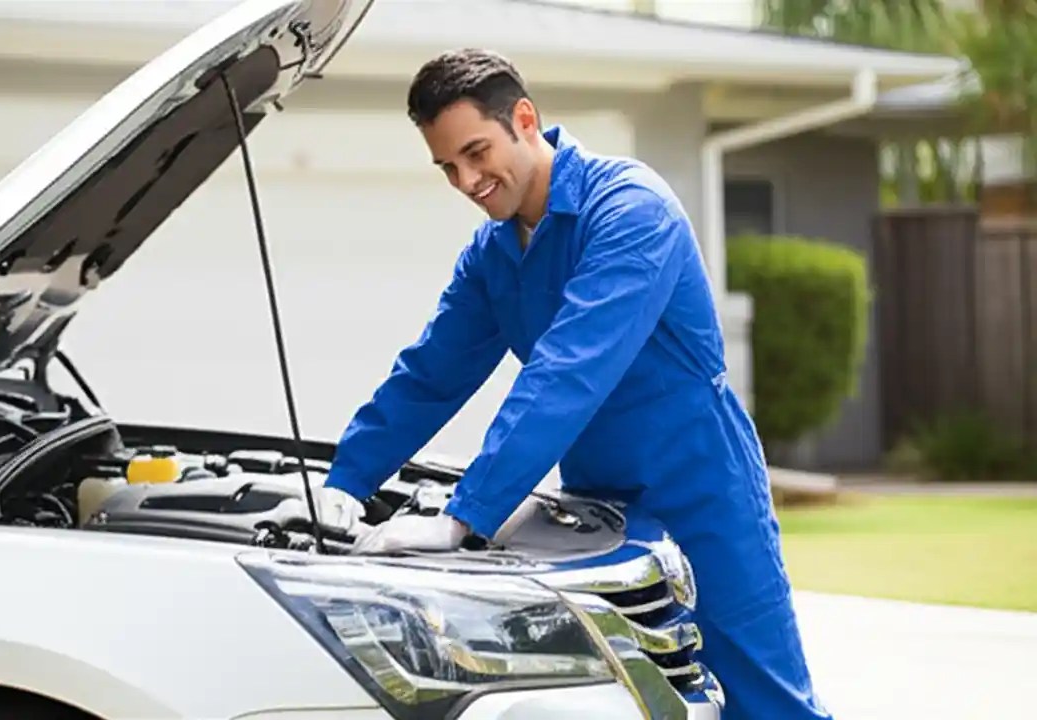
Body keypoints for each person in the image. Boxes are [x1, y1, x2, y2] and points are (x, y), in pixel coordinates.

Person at [313, 48, 831, 719]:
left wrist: (464, 518)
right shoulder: (493, 254)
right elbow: (428, 376)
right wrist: (343, 483)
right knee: (640, 703)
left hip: (705, 497)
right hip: (597, 513)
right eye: (448, 167)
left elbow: (568, 371)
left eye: (476, 152)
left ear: (524, 119)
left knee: (766, 704)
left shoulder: (632, 211)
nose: (467, 180)